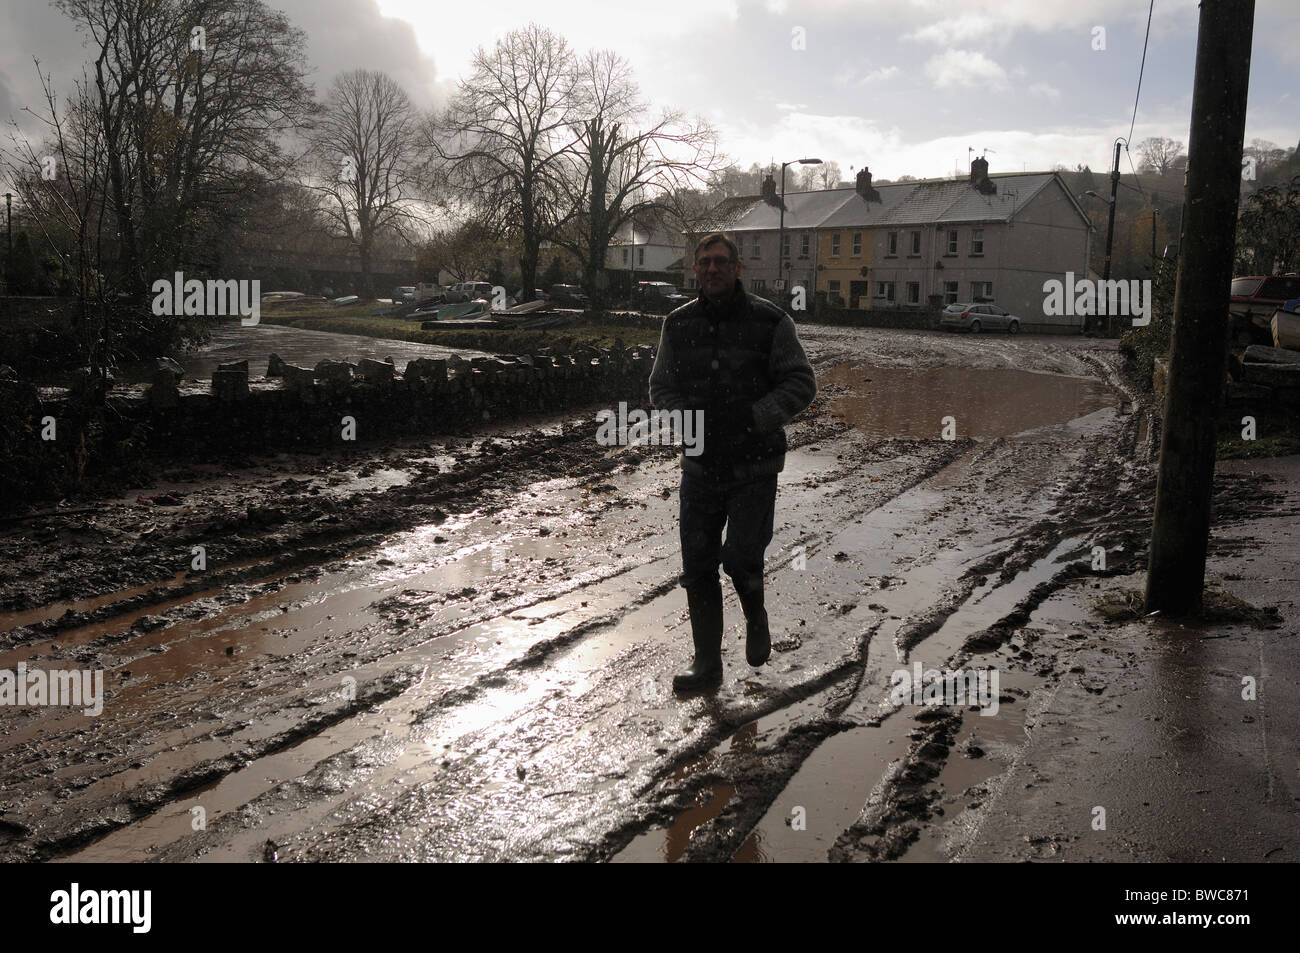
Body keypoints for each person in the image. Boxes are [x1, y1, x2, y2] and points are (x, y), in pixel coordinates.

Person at [649, 233, 817, 692]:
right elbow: (660, 387)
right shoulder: (678, 325)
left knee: (741, 558)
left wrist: (754, 417)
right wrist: (688, 418)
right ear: (695, 269)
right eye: (704, 262)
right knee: (698, 565)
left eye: (721, 262)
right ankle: (708, 665)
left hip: (754, 468)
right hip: (700, 468)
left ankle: (756, 614)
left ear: (737, 268)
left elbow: (801, 382)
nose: (712, 269)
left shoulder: (770, 322)